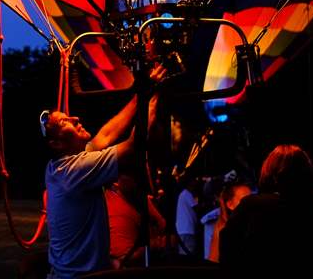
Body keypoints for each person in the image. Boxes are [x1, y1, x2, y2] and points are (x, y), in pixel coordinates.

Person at [42, 64, 165, 279]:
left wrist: (140, 95)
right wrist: (153, 95)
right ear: (57, 144)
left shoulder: (60, 167)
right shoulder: (75, 171)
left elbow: (106, 135)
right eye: (65, 122)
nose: (76, 119)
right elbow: (134, 145)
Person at [219, 144, 313, 275]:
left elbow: (228, 250)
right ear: (305, 172)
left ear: (269, 170)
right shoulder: (312, 208)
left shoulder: (251, 205)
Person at [205, 180, 252, 261]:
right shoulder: (224, 228)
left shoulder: (251, 223)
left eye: (252, 199)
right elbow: (214, 260)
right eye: (245, 200)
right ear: (230, 204)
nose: (251, 203)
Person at [175, 176, 201, 257]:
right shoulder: (187, 194)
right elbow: (197, 209)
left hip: (183, 230)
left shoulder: (183, 194)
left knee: (184, 254)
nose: (196, 184)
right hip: (187, 230)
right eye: (194, 181)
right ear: (190, 183)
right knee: (189, 255)